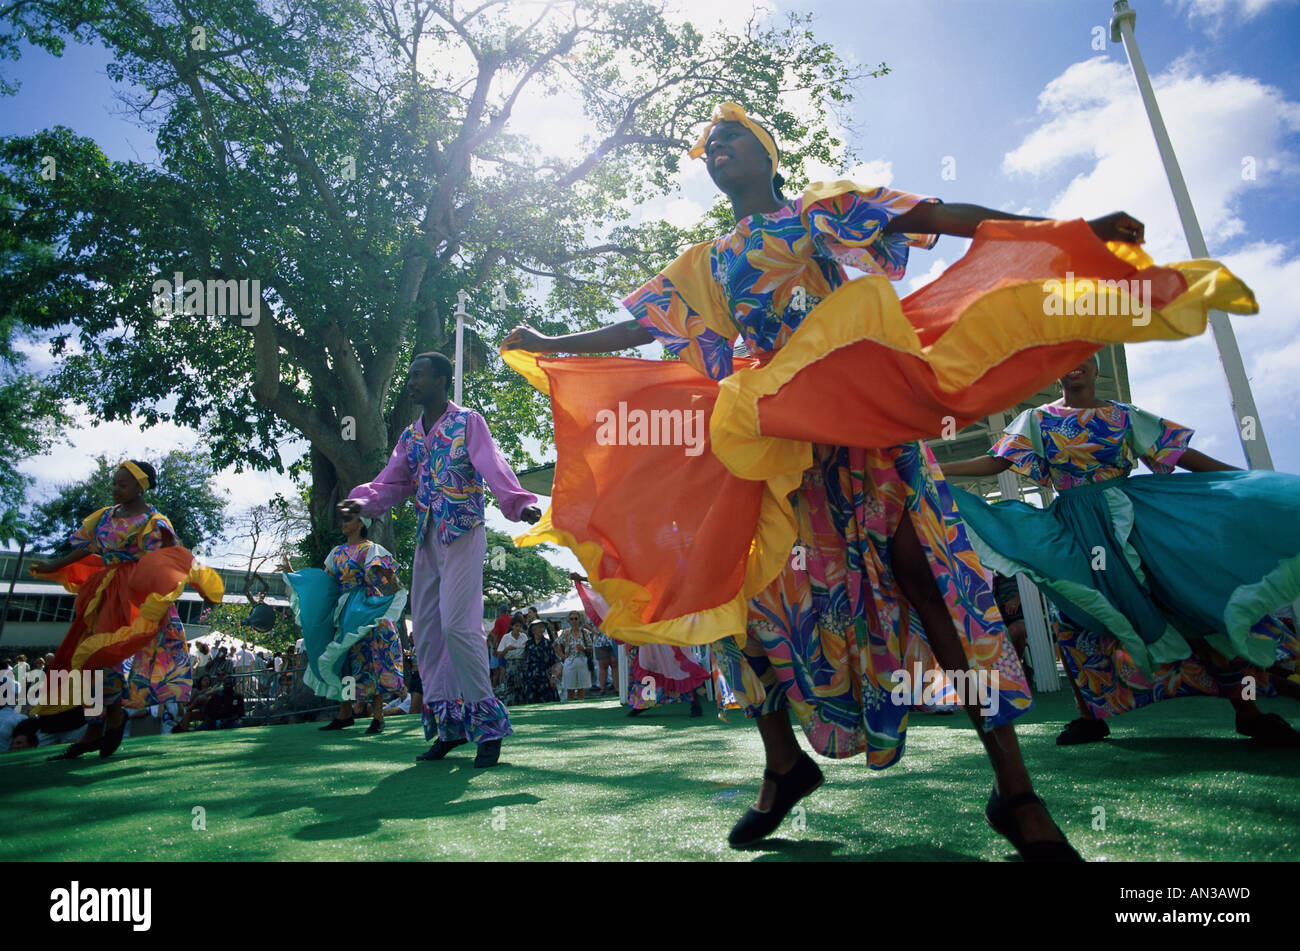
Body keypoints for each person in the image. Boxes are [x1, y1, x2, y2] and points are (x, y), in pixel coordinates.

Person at [502, 101, 1256, 857]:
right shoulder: (704, 260)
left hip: (861, 422)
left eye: (733, 137)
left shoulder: (820, 213)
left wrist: (1068, 233)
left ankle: (1015, 789)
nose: (715, 147)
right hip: (774, 442)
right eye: (709, 145)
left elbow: (940, 213)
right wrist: (549, 343)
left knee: (929, 585)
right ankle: (784, 766)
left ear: (769, 156)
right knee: (733, 590)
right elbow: (644, 327)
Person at [941, 356, 1300, 746]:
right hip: (1075, 527)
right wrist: (938, 469)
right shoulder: (1036, 419)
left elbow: (1178, 455)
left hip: (1133, 521)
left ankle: (1249, 713)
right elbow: (997, 461)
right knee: (1075, 617)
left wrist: (1239, 479)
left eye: (1083, 360)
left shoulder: (1124, 415)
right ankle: (1089, 717)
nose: (1075, 366)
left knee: (1189, 601)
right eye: (1067, 360)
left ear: (1097, 369)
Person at [340, 351, 541, 768]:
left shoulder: (467, 421)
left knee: (456, 626)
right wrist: (361, 502)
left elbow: (491, 465)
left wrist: (519, 504)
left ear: (441, 381)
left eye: (419, 375)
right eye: (409, 374)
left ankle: (487, 727)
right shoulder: (411, 437)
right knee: (428, 632)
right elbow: (391, 483)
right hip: (428, 538)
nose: (411, 381)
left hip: (464, 532)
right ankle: (448, 727)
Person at [29, 460, 223, 759]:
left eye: (123, 484)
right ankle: (96, 727)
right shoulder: (105, 516)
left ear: (140, 486)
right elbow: (86, 547)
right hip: (104, 592)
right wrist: (54, 565)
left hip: (136, 595)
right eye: (115, 483)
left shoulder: (153, 521)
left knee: (108, 655)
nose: (115, 489)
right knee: (90, 657)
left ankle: (114, 717)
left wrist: (204, 589)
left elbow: (175, 558)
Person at [283, 511, 406, 735]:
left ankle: (378, 717)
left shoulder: (371, 549)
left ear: (361, 523)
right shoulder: (336, 552)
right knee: (345, 660)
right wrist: (296, 576)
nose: (343, 523)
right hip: (343, 611)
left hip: (366, 608)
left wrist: (396, 590)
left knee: (373, 659)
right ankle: (345, 712)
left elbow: (388, 576)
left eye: (348, 519)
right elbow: (324, 581)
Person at [521, 619, 560, 705]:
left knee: (547, 702)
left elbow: (554, 661)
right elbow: (525, 660)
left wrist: (553, 677)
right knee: (531, 701)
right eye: (538, 628)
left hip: (545, 675)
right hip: (531, 676)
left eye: (542, 628)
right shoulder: (528, 644)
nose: (541, 630)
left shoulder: (548, 643)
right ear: (533, 630)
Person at [557, 612, 593, 701]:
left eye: (576, 618)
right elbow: (555, 644)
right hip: (569, 661)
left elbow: (591, 648)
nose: (574, 621)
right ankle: (571, 708)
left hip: (582, 661)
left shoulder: (585, 633)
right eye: (572, 619)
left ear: (579, 620)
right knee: (570, 688)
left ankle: (581, 708)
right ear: (569, 621)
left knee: (582, 689)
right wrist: (561, 655)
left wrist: (583, 648)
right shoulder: (566, 633)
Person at [495, 615, 528, 705]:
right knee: (510, 688)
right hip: (510, 664)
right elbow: (499, 655)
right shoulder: (506, 637)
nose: (518, 628)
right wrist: (507, 649)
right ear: (512, 626)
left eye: (520, 626)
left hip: (522, 664)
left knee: (522, 687)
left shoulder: (524, 636)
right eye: (516, 626)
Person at [489, 604, 512, 688]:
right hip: (511, 645)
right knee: (509, 665)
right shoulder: (512, 619)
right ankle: (509, 685)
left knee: (502, 667)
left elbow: (496, 635)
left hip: (502, 646)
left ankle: (503, 686)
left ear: (501, 611)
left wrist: (495, 648)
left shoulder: (499, 620)